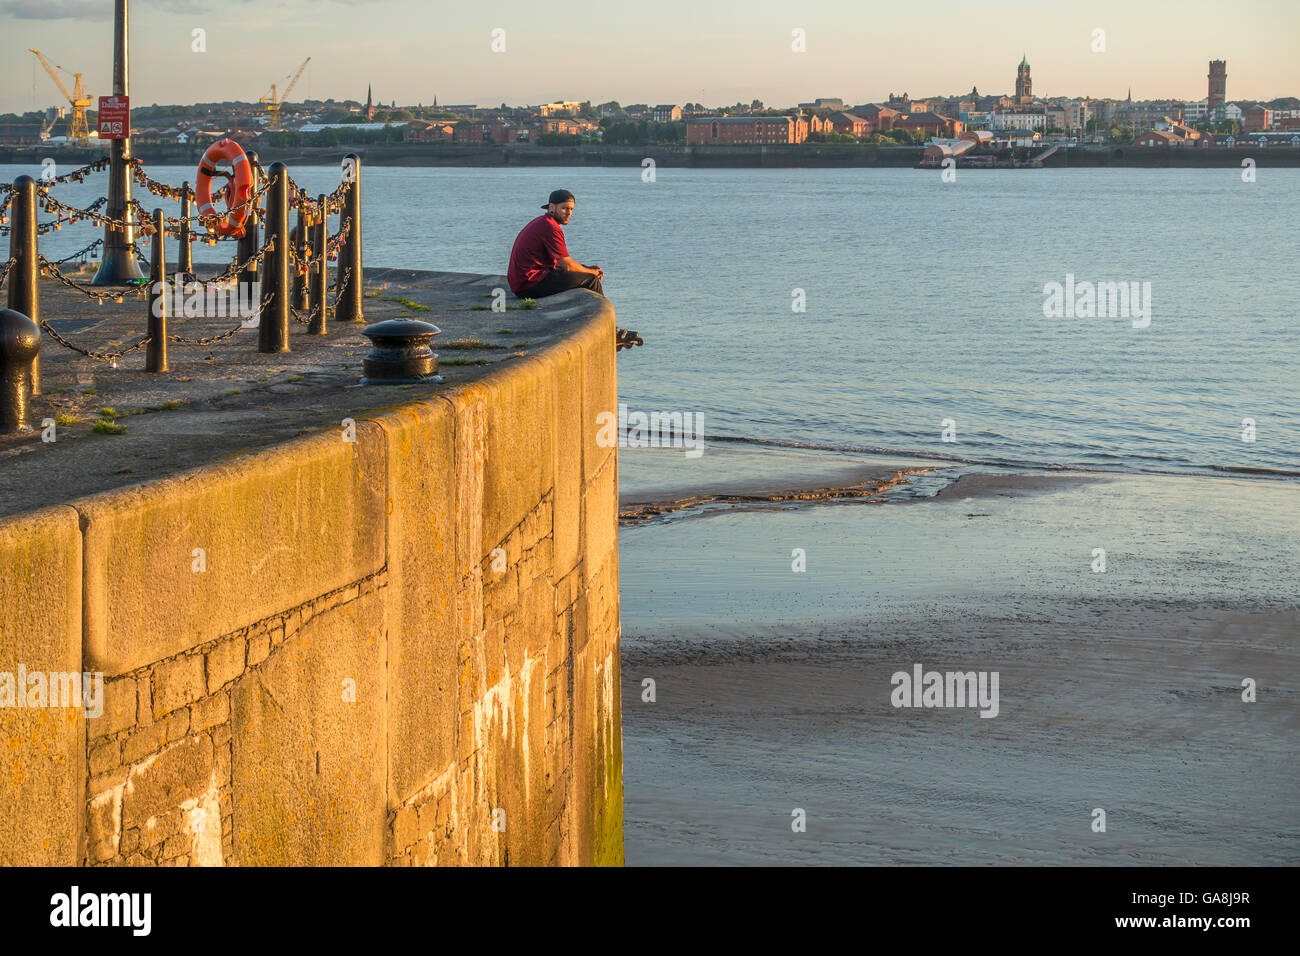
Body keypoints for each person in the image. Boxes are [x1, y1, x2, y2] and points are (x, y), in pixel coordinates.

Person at [508, 189, 642, 349]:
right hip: (529, 284)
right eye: (564, 208)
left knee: (584, 275)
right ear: (551, 207)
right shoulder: (551, 227)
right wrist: (591, 272)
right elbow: (567, 265)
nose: (568, 213)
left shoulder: (543, 223)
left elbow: (559, 263)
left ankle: (606, 328)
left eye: (571, 209)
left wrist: (585, 268)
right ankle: (609, 330)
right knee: (591, 281)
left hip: (524, 282)